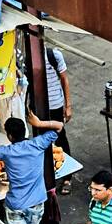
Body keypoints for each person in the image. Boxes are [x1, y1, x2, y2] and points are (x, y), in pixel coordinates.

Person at [43, 44, 75, 194]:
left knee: (60, 138)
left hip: (55, 104)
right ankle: (49, 172)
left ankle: (67, 176)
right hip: (38, 105)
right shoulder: (23, 56)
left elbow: (64, 79)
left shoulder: (53, 55)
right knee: (42, 139)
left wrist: (68, 106)